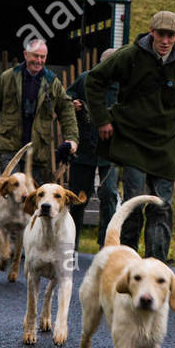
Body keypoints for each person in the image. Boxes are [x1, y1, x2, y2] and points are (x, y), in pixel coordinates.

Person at [86, 10, 175, 262]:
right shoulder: (129, 56)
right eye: (160, 34)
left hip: (163, 146)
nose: (165, 40)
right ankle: (127, 262)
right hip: (131, 142)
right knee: (134, 204)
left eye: (170, 35)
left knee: (162, 207)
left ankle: (155, 265)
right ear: (151, 32)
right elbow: (94, 80)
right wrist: (102, 120)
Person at [0, 37, 78, 185]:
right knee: (13, 191)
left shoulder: (52, 82)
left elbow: (67, 110)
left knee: (32, 196)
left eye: (42, 57)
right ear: (25, 55)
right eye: (35, 56)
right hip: (9, 147)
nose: (39, 61)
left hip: (37, 150)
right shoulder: (8, 78)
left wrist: (72, 138)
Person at [67, 47, 119, 249]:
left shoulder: (123, 85)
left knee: (109, 194)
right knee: (78, 197)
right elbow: (66, 98)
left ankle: (106, 245)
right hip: (85, 147)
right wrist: (74, 103)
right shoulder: (84, 79)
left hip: (110, 149)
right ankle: (71, 244)